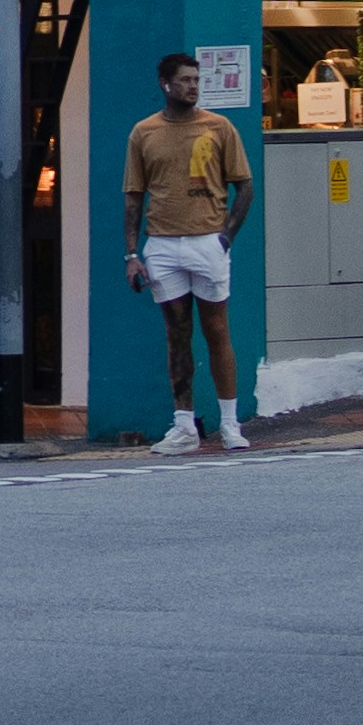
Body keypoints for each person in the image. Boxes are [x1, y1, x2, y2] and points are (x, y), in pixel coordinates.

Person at [122, 51, 253, 455]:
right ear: (165, 84)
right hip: (161, 244)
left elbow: (244, 186)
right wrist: (131, 254)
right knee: (177, 335)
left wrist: (226, 237)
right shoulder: (144, 132)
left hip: (207, 241)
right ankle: (184, 425)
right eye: (184, 80)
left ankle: (230, 424)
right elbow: (133, 196)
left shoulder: (219, 127)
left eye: (196, 80)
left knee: (217, 331)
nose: (193, 86)